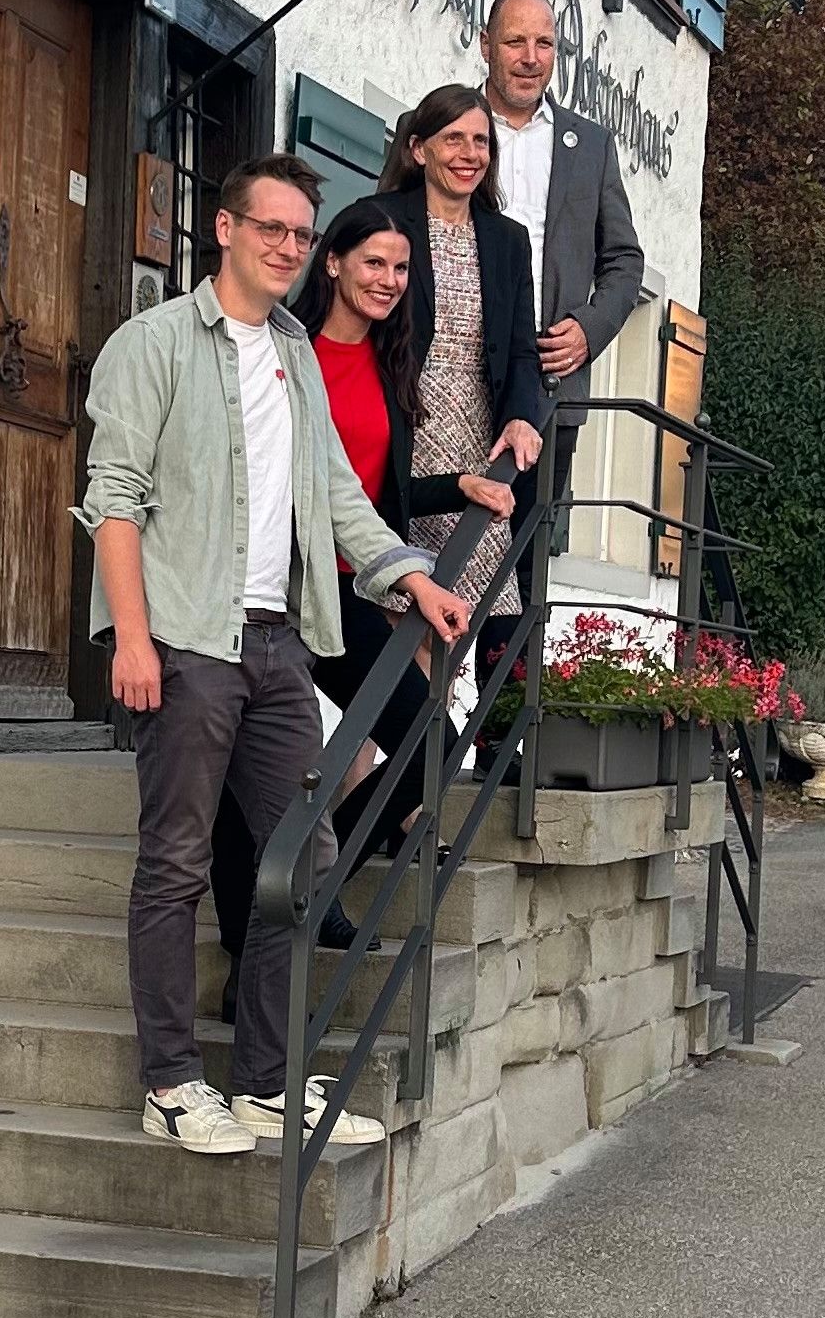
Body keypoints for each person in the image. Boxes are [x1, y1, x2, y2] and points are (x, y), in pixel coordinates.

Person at [72, 153, 470, 1156]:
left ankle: (261, 1081)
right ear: (225, 229)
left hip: (279, 643)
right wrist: (130, 635)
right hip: (186, 638)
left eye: (301, 234)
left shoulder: (293, 350)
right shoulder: (153, 342)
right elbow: (113, 497)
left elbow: (334, 492)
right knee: (174, 862)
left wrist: (407, 574)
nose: (289, 248)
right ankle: (169, 1080)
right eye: (273, 229)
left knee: (306, 853)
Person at [209, 199, 515, 987]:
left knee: (427, 738)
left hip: (349, 589)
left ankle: (313, 875)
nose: (387, 279)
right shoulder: (285, 348)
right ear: (334, 262)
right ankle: (252, 950)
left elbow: (365, 488)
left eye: (401, 267)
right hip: (270, 587)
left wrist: (459, 486)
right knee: (247, 779)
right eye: (372, 261)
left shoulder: (391, 364)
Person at [475, 0, 645, 766]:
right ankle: (418, 742)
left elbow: (625, 260)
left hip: (548, 386)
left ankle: (500, 745)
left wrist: (590, 329)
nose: (531, 58)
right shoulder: (454, 127)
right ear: (487, 45)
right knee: (435, 544)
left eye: (545, 44)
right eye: (517, 42)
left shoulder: (591, 145)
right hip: (454, 372)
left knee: (521, 560)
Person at [373, 84, 543, 622]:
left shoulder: (508, 239)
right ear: (419, 148)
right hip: (399, 419)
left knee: (490, 611)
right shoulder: (379, 218)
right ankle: (426, 707)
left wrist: (520, 417)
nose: (469, 154)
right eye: (454, 139)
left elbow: (521, 348)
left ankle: (473, 708)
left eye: (481, 141)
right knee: (405, 601)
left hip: (476, 429)